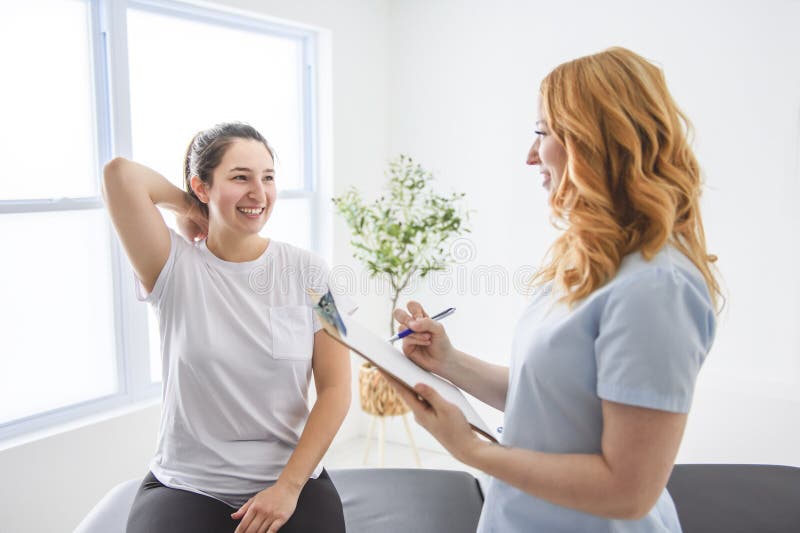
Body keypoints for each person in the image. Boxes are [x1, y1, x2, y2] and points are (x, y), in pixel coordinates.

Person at [387, 47, 721, 532]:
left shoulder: (656, 286)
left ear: (595, 142)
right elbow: (548, 401)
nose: (529, 155)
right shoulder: (591, 259)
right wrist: (449, 363)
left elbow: (628, 491)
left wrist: (471, 450)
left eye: (542, 133)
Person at [102, 123, 351, 533]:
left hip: (291, 478)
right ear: (202, 186)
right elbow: (119, 174)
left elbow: (337, 389)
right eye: (240, 177)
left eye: (268, 178)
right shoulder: (172, 266)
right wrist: (189, 208)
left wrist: (287, 488)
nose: (259, 193)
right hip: (189, 483)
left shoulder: (312, 272)